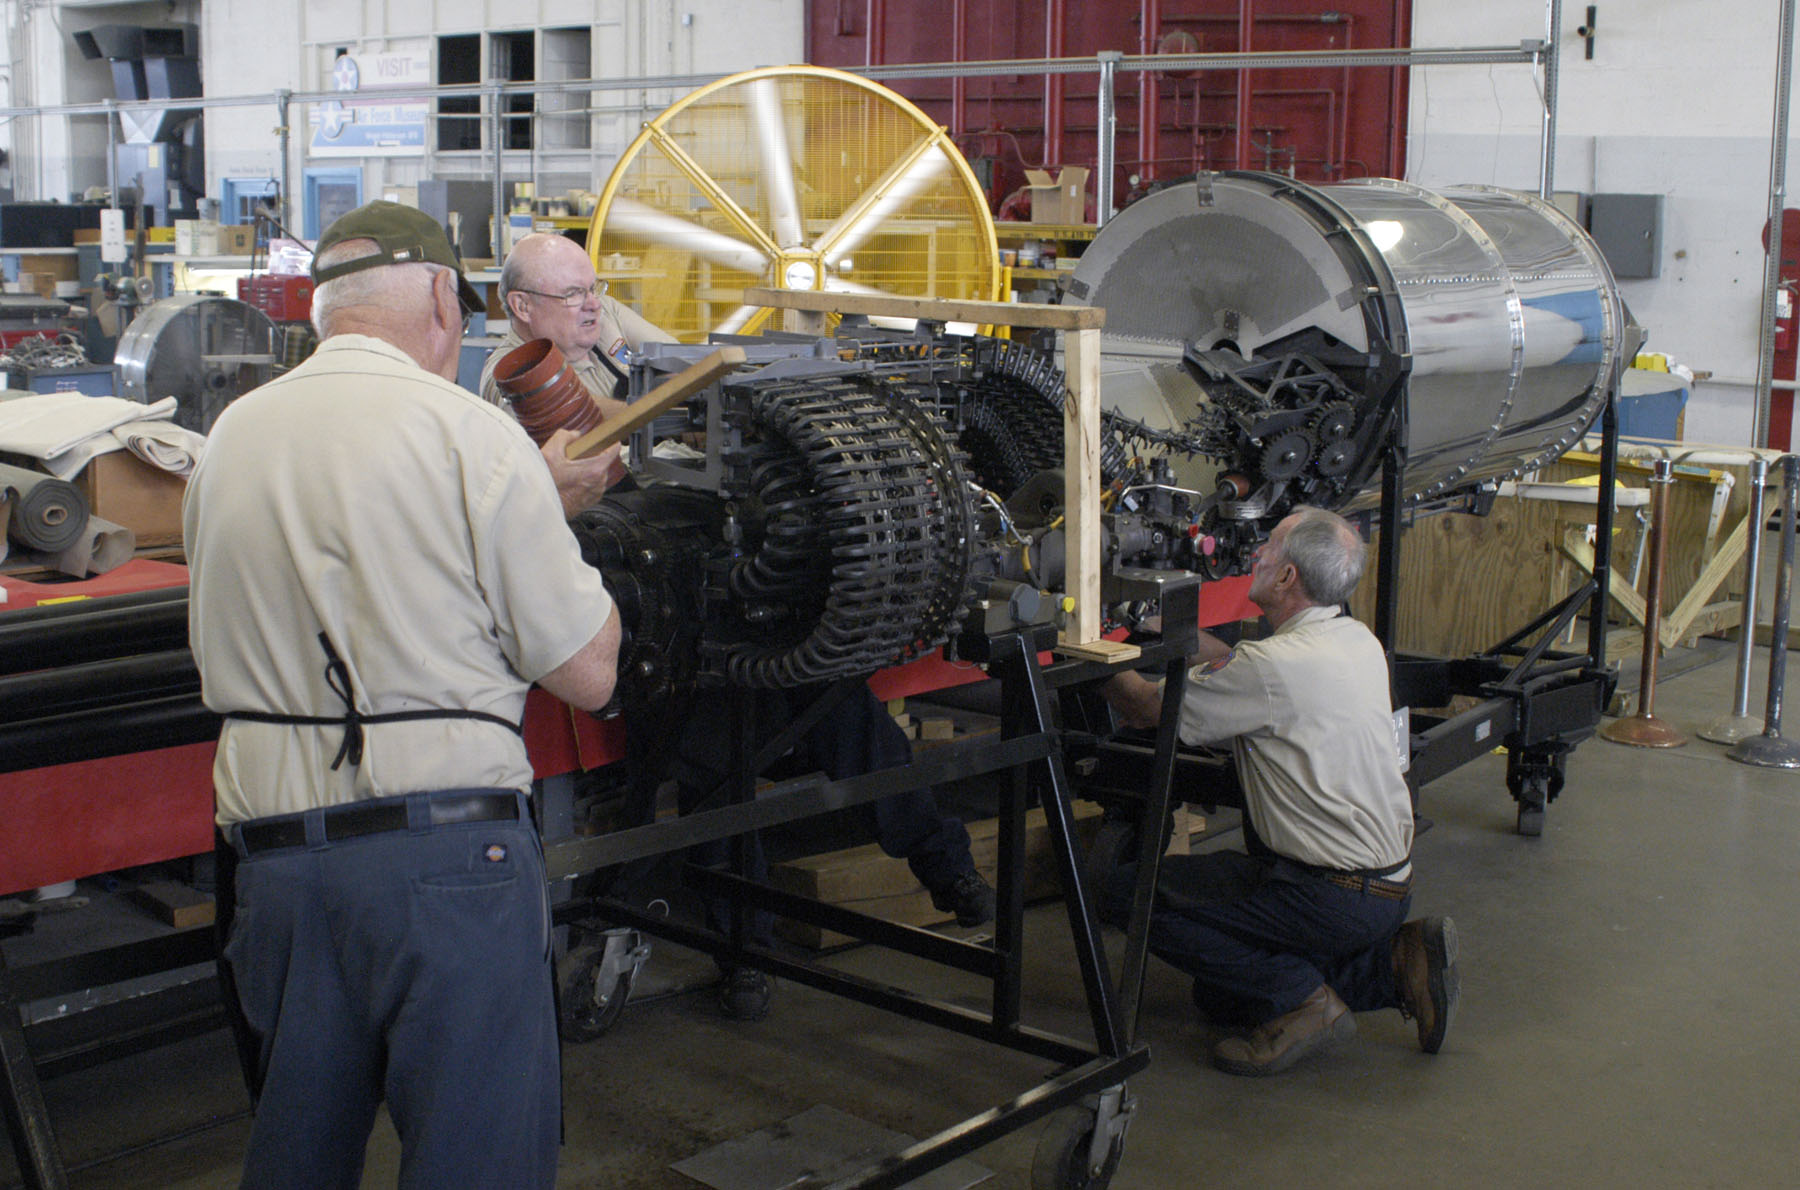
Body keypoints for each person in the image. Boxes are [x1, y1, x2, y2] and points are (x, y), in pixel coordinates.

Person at [185, 201, 624, 1188]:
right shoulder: (472, 435)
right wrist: (549, 509)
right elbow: (588, 670)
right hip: (448, 862)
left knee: (297, 1153)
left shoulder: (228, 440)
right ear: (438, 296)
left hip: (276, 870)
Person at [1100, 505, 1458, 1077]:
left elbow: (1147, 707)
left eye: (1268, 547)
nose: (1256, 555)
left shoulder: (1276, 667)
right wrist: (1170, 633)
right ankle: (1392, 966)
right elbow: (1243, 668)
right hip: (1386, 885)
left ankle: (1305, 1002)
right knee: (1219, 998)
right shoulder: (1354, 640)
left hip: (1327, 893)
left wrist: (1084, 650)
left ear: (1288, 577)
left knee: (1121, 893)